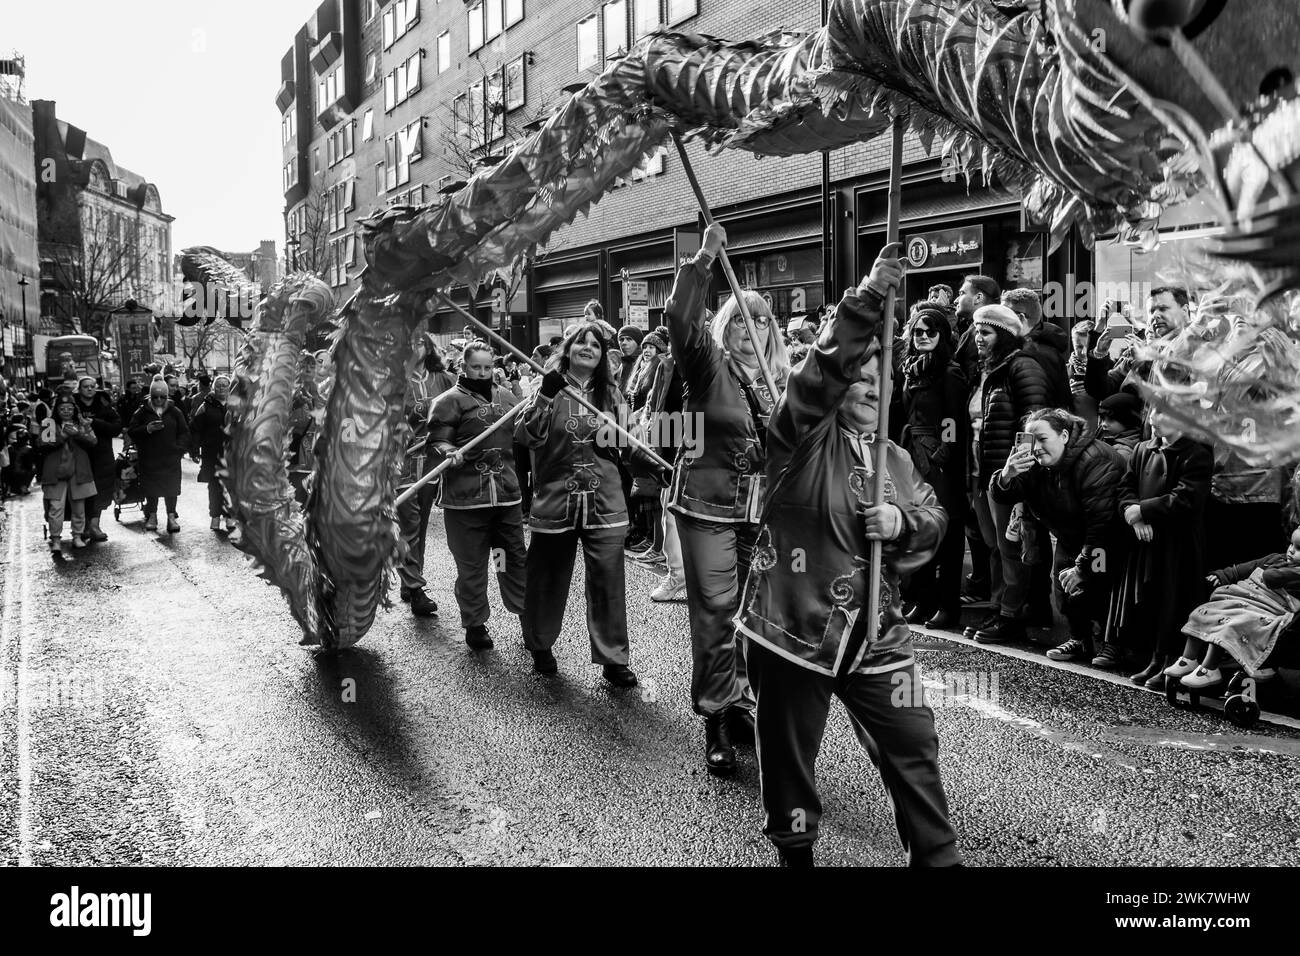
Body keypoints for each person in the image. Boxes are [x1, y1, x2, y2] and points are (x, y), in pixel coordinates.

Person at [736, 243, 959, 868]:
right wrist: (866, 299)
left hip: (878, 634)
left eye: (877, 373)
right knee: (789, 754)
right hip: (793, 626)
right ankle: (797, 851)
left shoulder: (898, 457)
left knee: (914, 737)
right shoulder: (797, 434)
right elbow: (821, 371)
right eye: (856, 374)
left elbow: (936, 519)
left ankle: (938, 860)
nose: (865, 383)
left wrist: (903, 521)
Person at [665, 222, 792, 775]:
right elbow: (678, 318)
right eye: (741, 317)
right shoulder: (704, 363)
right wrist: (705, 260)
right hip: (706, 505)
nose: (751, 326)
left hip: (763, 514)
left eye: (761, 319)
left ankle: (741, 701)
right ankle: (716, 712)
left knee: (753, 613)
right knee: (716, 610)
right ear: (724, 325)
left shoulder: (781, 378)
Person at [515, 322, 640, 688]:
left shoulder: (612, 392)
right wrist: (545, 397)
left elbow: (628, 442)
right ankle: (539, 642)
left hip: (605, 499)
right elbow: (526, 436)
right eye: (581, 342)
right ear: (568, 349)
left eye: (596, 345)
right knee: (547, 577)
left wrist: (622, 439)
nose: (588, 348)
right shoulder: (548, 386)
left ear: (603, 356)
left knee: (608, 581)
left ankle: (614, 658)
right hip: (556, 500)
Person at [991, 408, 1125, 663]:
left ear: (1064, 435)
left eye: (1043, 438)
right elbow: (1004, 494)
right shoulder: (1035, 461)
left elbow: (1103, 522)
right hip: (1067, 532)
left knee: (1098, 579)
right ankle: (1079, 639)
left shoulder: (1095, 459)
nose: (1037, 447)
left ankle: (1114, 642)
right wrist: (1007, 474)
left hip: (1107, 536)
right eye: (1032, 440)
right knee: (1063, 586)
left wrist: (1082, 567)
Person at [428, 341, 526, 650]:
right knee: (471, 565)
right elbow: (439, 439)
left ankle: (527, 619)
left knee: (509, 561)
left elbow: (526, 434)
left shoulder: (509, 398)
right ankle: (475, 624)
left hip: (507, 496)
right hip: (465, 499)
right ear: (463, 366)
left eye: (487, 367)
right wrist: (450, 451)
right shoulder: (448, 401)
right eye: (475, 367)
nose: (482, 372)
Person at [964, 304, 1050, 644]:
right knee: (994, 545)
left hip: (1008, 473)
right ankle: (1000, 607)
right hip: (983, 471)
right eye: (975, 330)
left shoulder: (1022, 366)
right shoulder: (988, 369)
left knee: (1011, 546)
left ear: (1004, 335)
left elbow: (1033, 420)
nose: (977, 337)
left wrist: (1017, 471)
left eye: (985, 331)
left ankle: (1011, 616)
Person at [1107, 411, 1214, 687]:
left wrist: (1142, 510)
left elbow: (1187, 499)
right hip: (1146, 538)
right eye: (1154, 411)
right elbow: (1126, 486)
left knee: (1174, 600)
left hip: (1179, 540)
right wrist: (1133, 514)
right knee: (1152, 598)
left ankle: (1172, 660)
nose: (1155, 418)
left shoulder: (1196, 452)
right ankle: (1155, 658)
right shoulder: (1144, 448)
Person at [894, 304, 969, 629]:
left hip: (939, 462)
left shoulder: (949, 372)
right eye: (918, 331)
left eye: (930, 331)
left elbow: (955, 419)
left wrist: (943, 453)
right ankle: (923, 601)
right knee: (917, 525)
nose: (923, 337)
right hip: (912, 454)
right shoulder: (910, 368)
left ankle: (947, 605)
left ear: (942, 335)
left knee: (948, 533)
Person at [1172, 526, 1300, 689]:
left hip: (1267, 610)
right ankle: (1188, 659)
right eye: (1291, 545)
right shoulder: (1275, 558)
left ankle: (1210, 669)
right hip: (1244, 600)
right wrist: (1224, 575)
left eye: (1298, 549)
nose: (1291, 551)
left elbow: (1271, 577)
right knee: (1204, 612)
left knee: (1231, 623)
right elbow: (1247, 567)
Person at [396, 334, 457, 617]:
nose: (414, 345)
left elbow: (458, 406)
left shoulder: (443, 378)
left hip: (432, 464)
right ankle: (416, 587)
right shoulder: (393, 379)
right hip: (402, 465)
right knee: (408, 525)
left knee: (419, 527)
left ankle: (410, 578)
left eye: (420, 341)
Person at [38, 393, 99, 558]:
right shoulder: (48, 423)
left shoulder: (81, 422)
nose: (66, 411)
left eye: (70, 408)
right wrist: (64, 435)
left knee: (79, 507)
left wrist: (77, 433)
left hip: (79, 470)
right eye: (62, 408)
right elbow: (43, 444)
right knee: (56, 508)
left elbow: (93, 441)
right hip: (55, 471)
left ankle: (77, 536)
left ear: (74, 409)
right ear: (56, 410)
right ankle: (56, 539)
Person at [127, 377, 191, 533]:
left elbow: (184, 431)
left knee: (172, 488)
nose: (159, 400)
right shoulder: (142, 412)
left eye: (162, 396)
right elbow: (132, 431)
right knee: (151, 489)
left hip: (171, 457)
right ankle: (152, 516)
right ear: (151, 396)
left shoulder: (175, 412)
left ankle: (171, 517)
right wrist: (147, 429)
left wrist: (179, 449)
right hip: (150, 457)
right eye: (155, 397)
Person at [71, 375, 122, 543]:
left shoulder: (104, 404)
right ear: (79, 388)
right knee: (82, 490)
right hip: (79, 454)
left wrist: (94, 422)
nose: (90, 389)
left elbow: (116, 428)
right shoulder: (71, 405)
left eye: (92, 386)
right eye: (86, 386)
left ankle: (94, 525)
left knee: (100, 490)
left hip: (102, 454)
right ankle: (83, 526)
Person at [190, 374, 234, 533]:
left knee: (231, 485)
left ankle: (230, 516)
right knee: (214, 486)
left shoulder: (235, 406)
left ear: (230, 387)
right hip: (211, 453)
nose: (222, 388)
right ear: (214, 388)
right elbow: (195, 429)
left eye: (225, 385)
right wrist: (194, 449)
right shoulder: (205, 406)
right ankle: (215, 516)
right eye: (218, 385)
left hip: (232, 454)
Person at [1095, 392, 1143, 466]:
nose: (1103, 424)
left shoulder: (1124, 453)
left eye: (1111, 419)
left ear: (1126, 420)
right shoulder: (1104, 435)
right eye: (1103, 419)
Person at [615, 325, 644, 393]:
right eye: (621, 339)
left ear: (638, 342)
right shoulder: (620, 364)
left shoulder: (644, 363)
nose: (624, 343)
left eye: (629, 339)